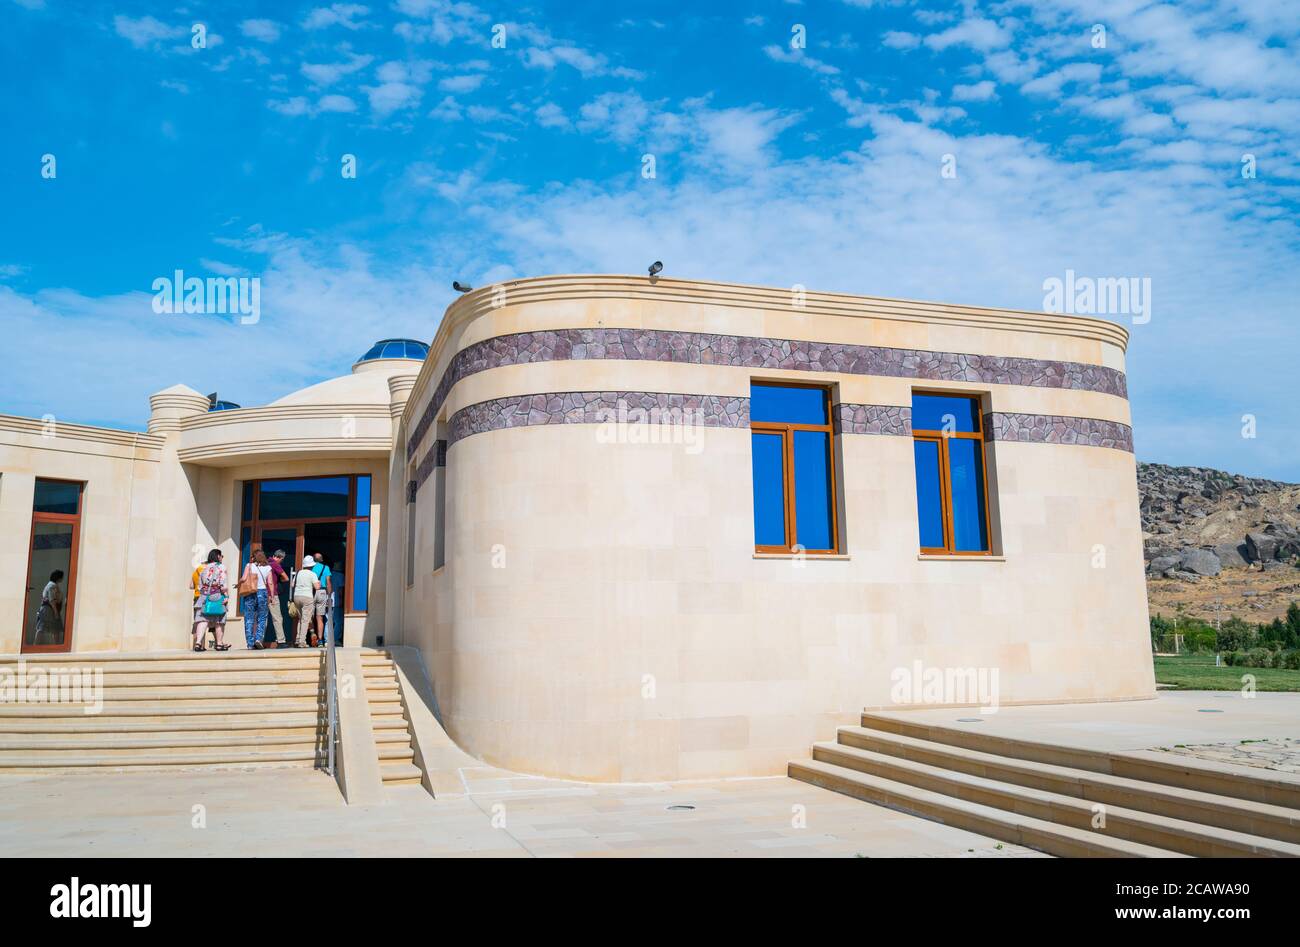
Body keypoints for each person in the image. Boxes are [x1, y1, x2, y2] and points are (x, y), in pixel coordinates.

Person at [192, 549, 231, 652]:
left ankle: (198, 643)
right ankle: (219, 644)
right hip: (218, 594)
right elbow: (223, 583)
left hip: (204, 596)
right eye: (221, 556)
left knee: (202, 619)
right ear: (218, 556)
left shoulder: (204, 568)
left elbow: (199, 585)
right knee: (220, 619)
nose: (222, 558)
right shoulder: (221, 567)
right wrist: (226, 596)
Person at [239, 549, 274, 651]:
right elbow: (270, 583)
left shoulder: (249, 566)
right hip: (262, 593)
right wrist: (271, 595)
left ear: (254, 557)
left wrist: (238, 583)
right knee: (262, 617)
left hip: (250, 592)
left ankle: (250, 643)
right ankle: (258, 638)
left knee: (249, 618)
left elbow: (244, 578)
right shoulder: (268, 568)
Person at [292, 556, 320, 649]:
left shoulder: (298, 573)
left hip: (296, 596)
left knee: (300, 619)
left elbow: (292, 585)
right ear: (312, 565)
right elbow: (317, 587)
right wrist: (318, 583)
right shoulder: (313, 574)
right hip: (307, 597)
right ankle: (302, 642)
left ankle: (297, 638)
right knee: (305, 620)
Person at [32, 569, 66, 646]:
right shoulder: (52, 586)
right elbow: (52, 600)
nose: (62, 578)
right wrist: (56, 612)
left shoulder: (51, 585)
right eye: (62, 577)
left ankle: (37, 645)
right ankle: (37, 645)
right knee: (45, 627)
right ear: (58, 578)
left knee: (50, 628)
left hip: (47, 609)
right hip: (49, 609)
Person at [265, 549, 290, 649]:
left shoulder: (265, 563)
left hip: (262, 593)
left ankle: (259, 640)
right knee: (277, 618)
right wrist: (279, 581)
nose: (282, 561)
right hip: (272, 594)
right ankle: (281, 641)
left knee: (263, 618)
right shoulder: (275, 564)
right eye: (282, 559)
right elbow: (286, 577)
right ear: (279, 557)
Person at [311, 553, 332, 648]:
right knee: (320, 618)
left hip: (311, 591)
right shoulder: (326, 567)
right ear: (322, 560)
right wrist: (329, 596)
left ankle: (311, 634)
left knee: (309, 616)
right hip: (322, 592)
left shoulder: (310, 567)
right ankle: (320, 640)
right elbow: (328, 582)